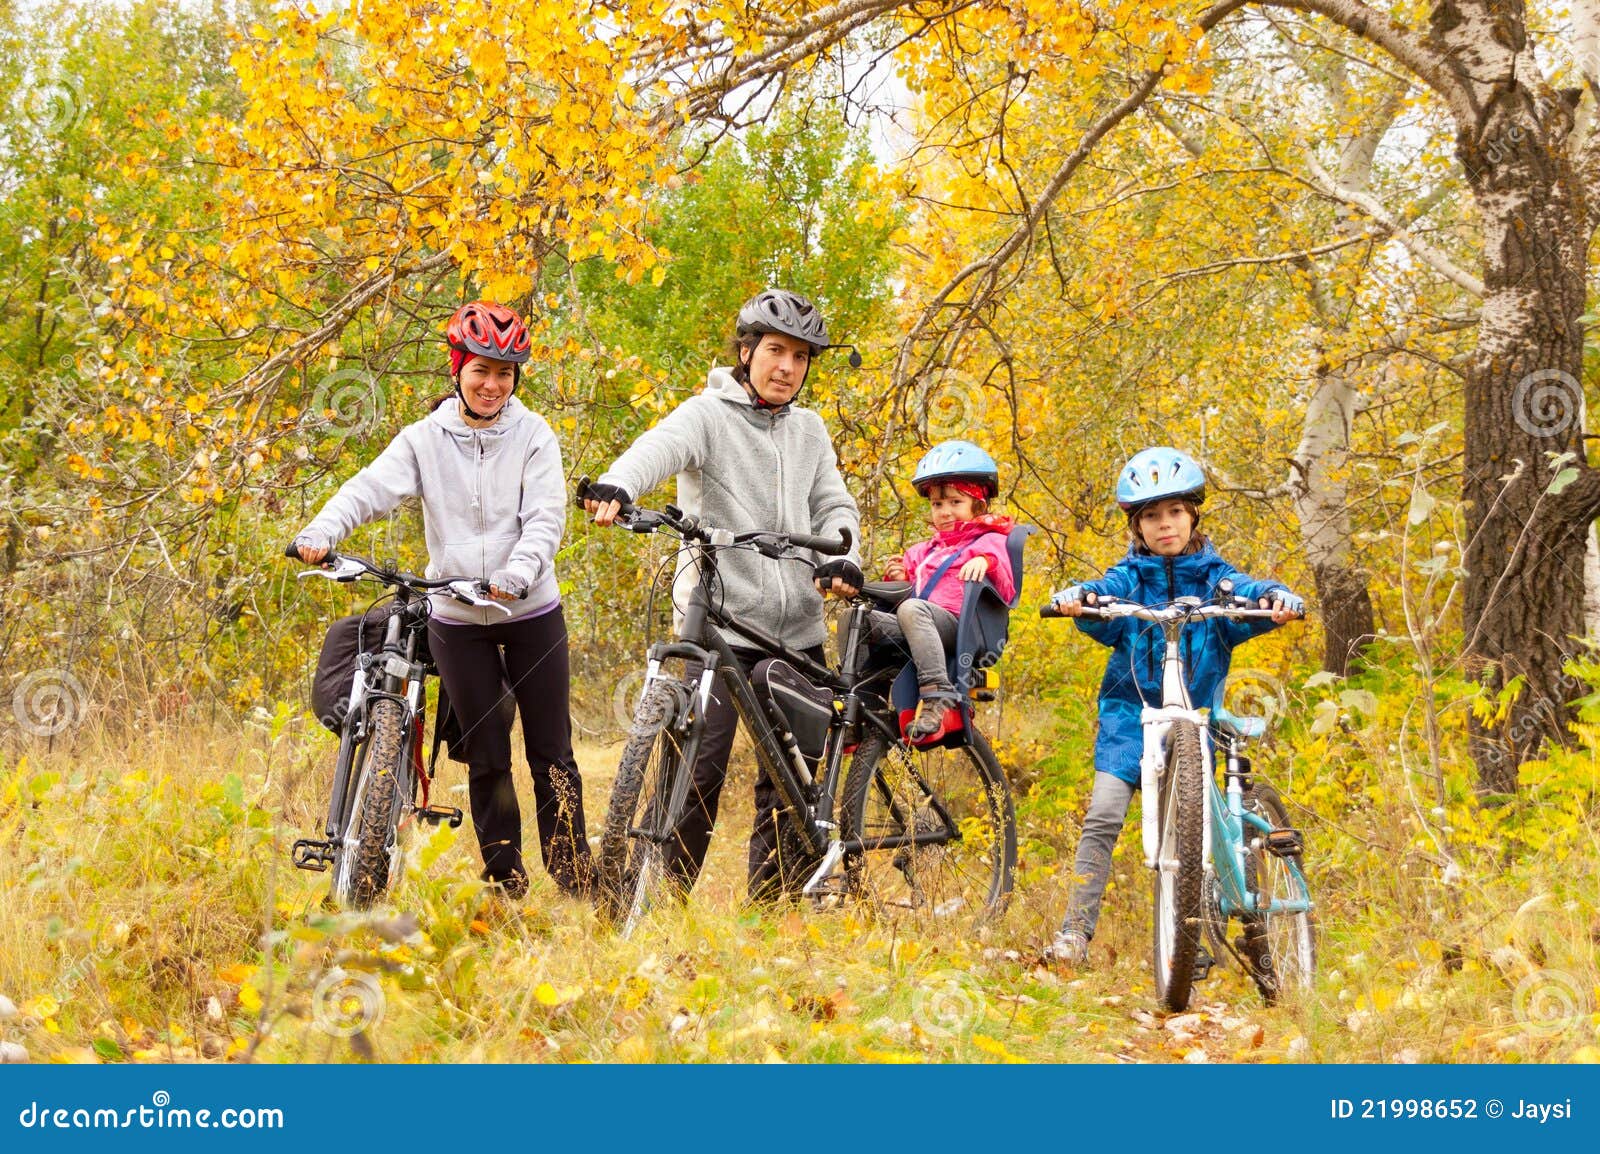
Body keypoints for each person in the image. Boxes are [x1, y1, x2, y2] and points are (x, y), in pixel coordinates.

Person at [291, 300, 592, 900]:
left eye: (504, 373)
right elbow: (370, 489)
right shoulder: (424, 440)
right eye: (481, 369)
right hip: (456, 616)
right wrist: (322, 532)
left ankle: (575, 874)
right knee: (487, 754)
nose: (491, 384)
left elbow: (546, 518)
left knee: (551, 751)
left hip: (530, 610)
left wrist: (518, 571)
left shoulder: (535, 436)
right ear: (457, 368)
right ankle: (506, 876)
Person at [583, 288, 862, 901]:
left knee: (792, 779)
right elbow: (658, 449)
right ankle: (659, 901)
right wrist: (617, 485)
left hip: (797, 629)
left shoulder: (810, 431)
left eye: (799, 357)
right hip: (720, 626)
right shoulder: (707, 414)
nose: (786, 366)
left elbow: (834, 504)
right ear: (747, 351)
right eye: (775, 351)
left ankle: (771, 910)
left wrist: (843, 555)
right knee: (696, 769)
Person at [1042, 446, 1302, 966]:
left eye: (1175, 512)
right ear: (1137, 526)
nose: (1165, 525)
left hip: (1196, 720)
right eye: (1152, 516)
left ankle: (1197, 939)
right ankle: (1074, 935)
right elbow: (1103, 594)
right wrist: (1080, 599)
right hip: (1127, 720)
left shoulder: (1214, 577)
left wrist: (1275, 598)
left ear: (1193, 515)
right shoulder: (1130, 578)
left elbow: (1245, 591)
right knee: (1103, 814)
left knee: (1199, 827)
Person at [877, 440, 1017, 739]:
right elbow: (908, 593)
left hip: (961, 628)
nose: (945, 511)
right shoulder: (922, 551)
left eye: (956, 502)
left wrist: (986, 562)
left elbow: (1007, 587)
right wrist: (900, 577)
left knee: (913, 609)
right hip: (918, 624)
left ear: (977, 505)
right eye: (938, 504)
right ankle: (866, 706)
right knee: (859, 620)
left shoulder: (988, 542)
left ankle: (935, 695)